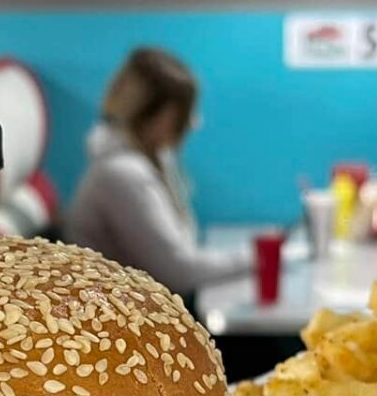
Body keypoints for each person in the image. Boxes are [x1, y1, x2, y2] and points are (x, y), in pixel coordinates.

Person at [66, 48, 250, 296]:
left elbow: (184, 242)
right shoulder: (122, 174)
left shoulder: (147, 158)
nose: (194, 123)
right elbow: (179, 271)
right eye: (184, 113)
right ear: (162, 116)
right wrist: (256, 257)